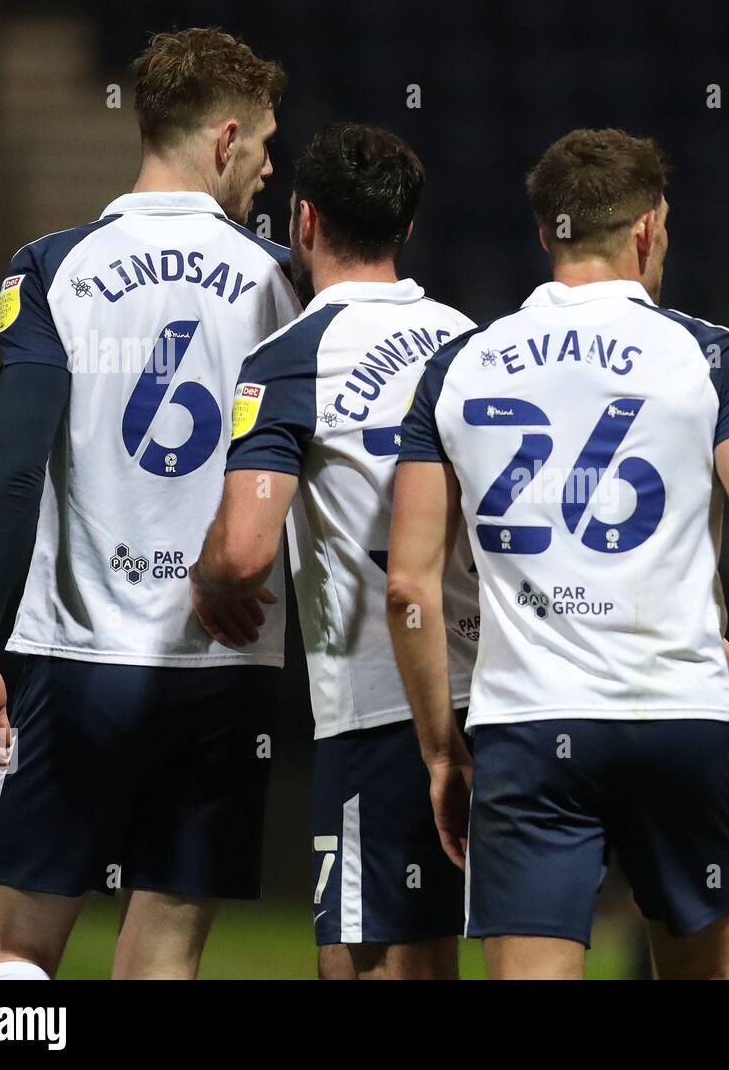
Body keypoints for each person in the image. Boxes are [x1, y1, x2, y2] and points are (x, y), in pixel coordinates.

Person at [386, 127, 729, 980]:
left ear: (544, 233)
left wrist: (442, 751)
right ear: (646, 229)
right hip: (678, 717)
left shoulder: (458, 367)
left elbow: (409, 584)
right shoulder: (709, 354)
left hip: (527, 724)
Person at [0, 28, 299, 980]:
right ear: (225, 140)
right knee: (161, 970)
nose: (268, 172)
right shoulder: (284, 283)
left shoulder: (50, 267)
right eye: (265, 147)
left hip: (74, 661)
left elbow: (14, 467)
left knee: (14, 958)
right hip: (225, 667)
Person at [190, 123, 479, 980]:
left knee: (363, 962)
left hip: (382, 707)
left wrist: (208, 578)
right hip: (500, 697)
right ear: (408, 230)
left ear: (303, 222)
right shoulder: (473, 341)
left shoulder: (290, 361)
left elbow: (244, 554)